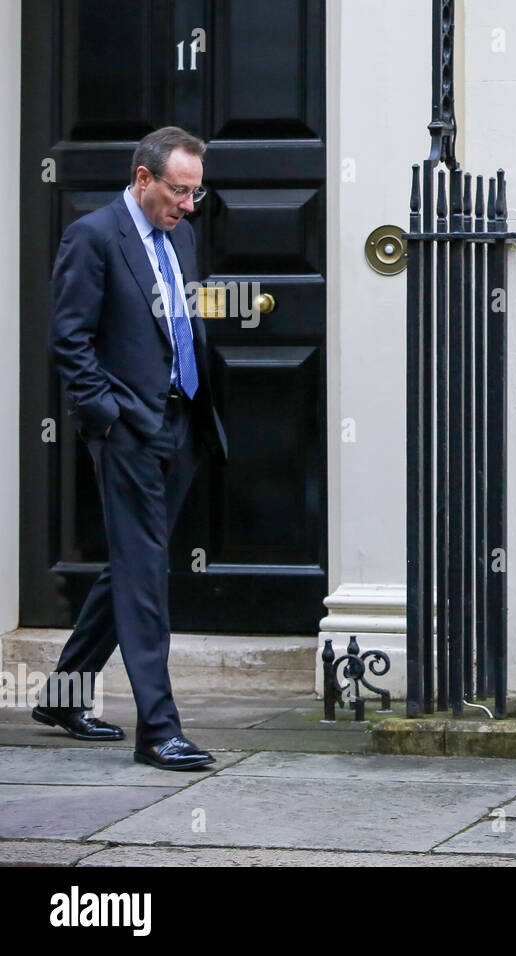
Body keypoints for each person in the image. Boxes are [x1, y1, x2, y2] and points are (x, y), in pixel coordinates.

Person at [35, 126, 228, 770]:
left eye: (196, 192)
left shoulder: (182, 235)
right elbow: (69, 339)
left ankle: (63, 696)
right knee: (145, 575)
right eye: (179, 191)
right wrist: (107, 417)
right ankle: (159, 730)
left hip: (182, 421)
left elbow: (181, 317)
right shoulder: (92, 236)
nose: (189, 205)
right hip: (127, 430)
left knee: (132, 563)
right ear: (144, 178)